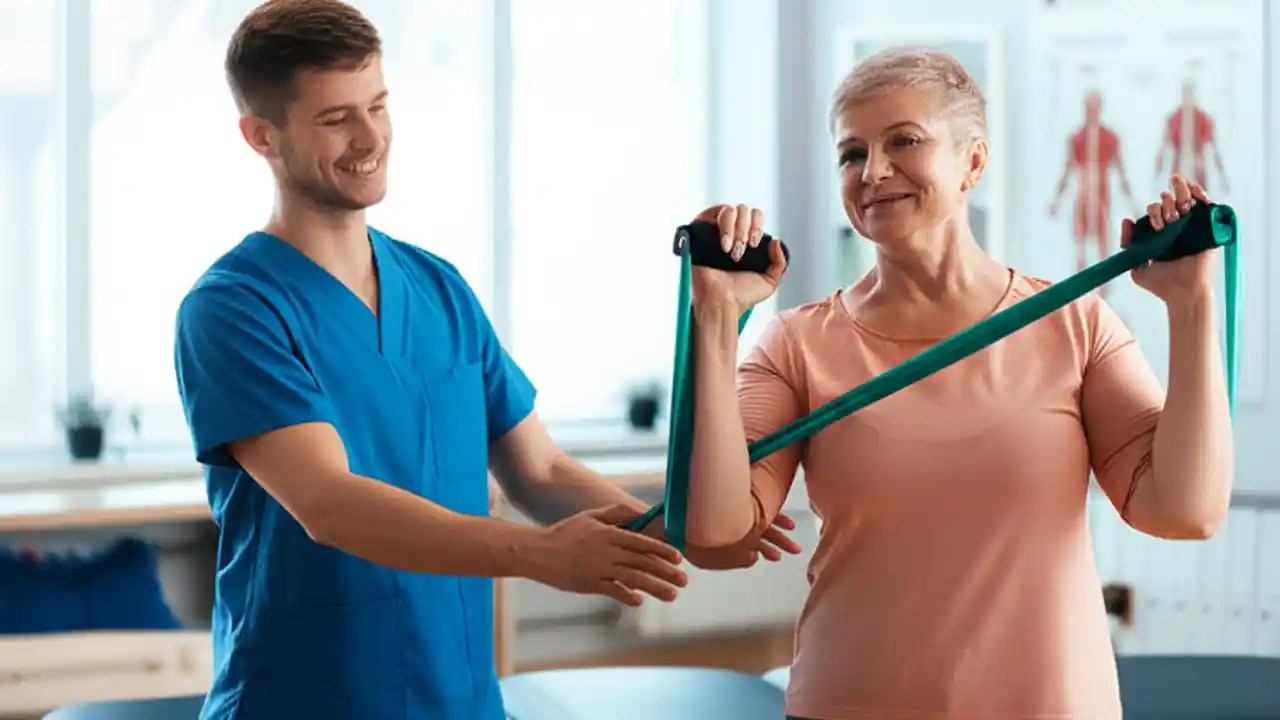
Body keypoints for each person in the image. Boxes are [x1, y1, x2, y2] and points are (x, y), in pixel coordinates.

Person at [172, 1, 799, 718]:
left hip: (459, 700)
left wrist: (681, 522)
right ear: (262, 136)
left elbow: (540, 472)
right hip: (302, 700)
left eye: (378, 105)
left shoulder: (437, 288)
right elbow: (329, 504)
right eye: (335, 118)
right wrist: (539, 556)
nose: (370, 136)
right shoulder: (233, 308)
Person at [685, 46, 1234, 719]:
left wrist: (1192, 307)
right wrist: (715, 319)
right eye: (851, 153)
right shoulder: (798, 342)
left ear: (973, 161)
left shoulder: (1075, 324)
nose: (873, 171)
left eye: (903, 141)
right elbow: (713, 528)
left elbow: (1184, 510)